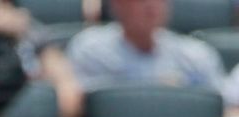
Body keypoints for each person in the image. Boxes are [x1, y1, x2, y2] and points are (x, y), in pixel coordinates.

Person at [67, 0, 226, 91]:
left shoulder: (196, 54)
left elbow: (222, 107)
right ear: (117, 5)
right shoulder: (90, 49)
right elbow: (77, 109)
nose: (151, 5)